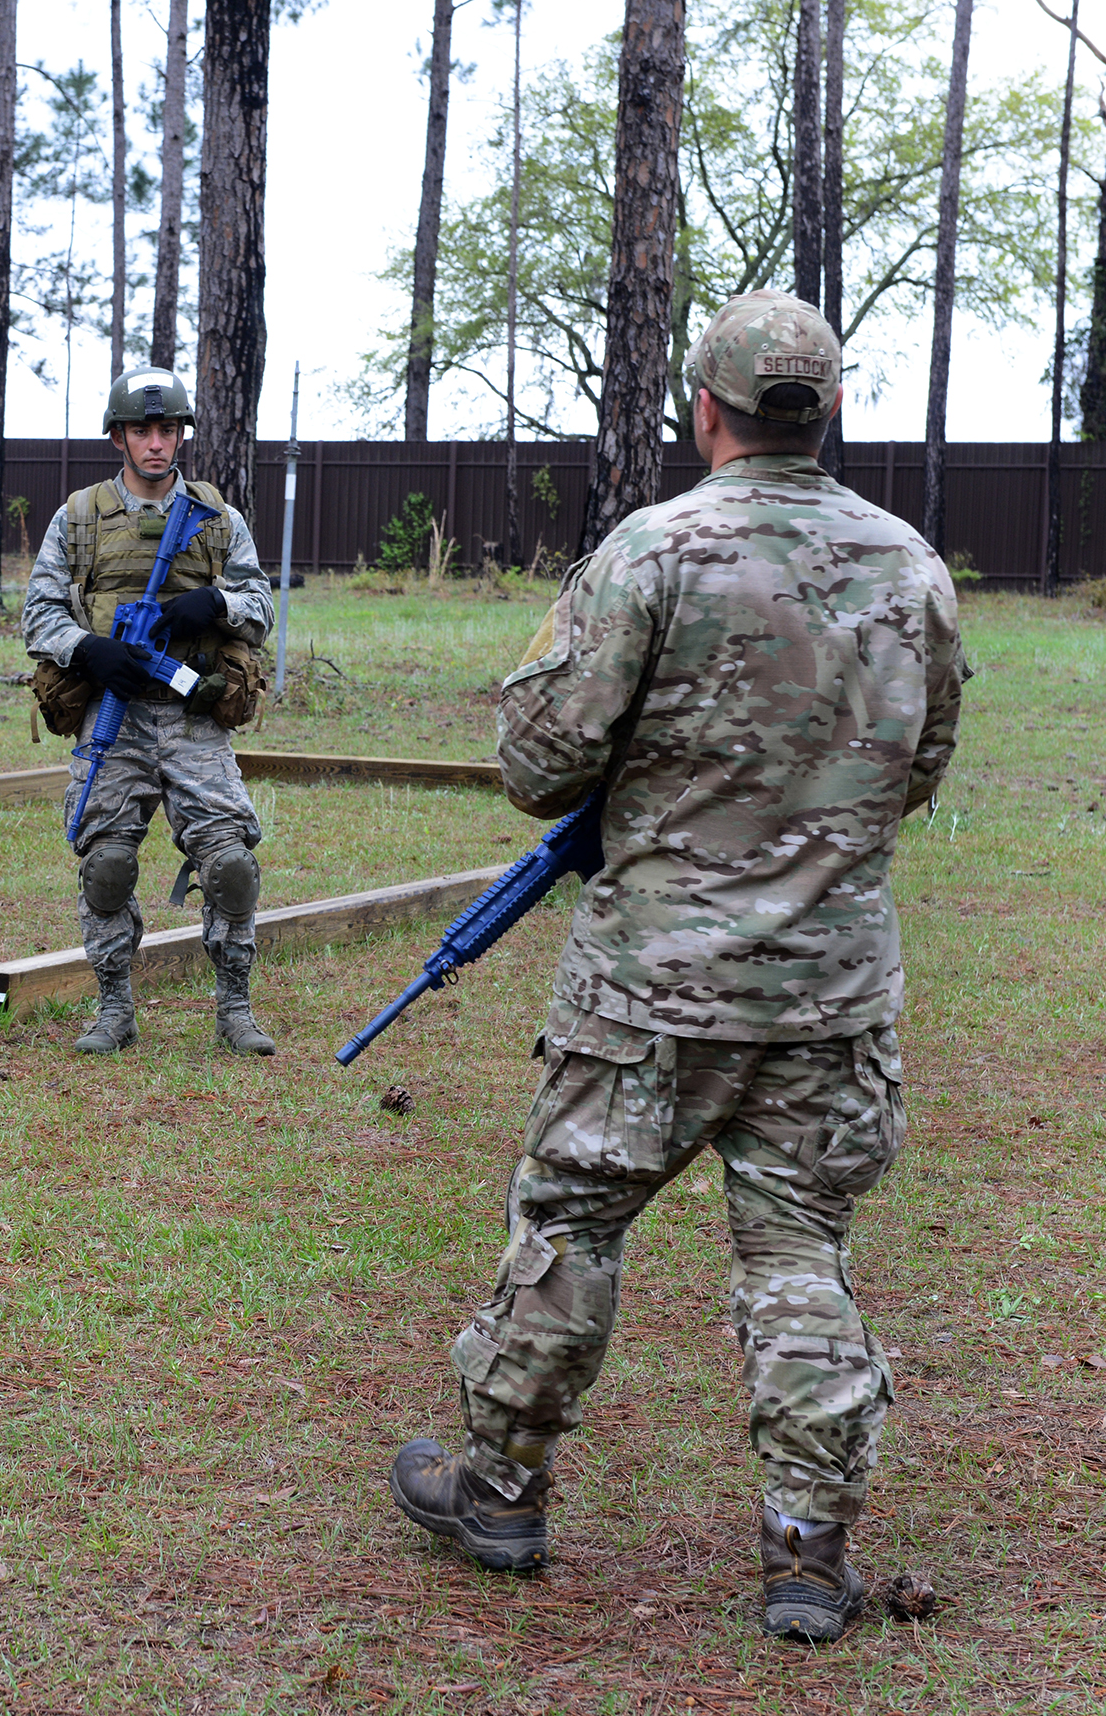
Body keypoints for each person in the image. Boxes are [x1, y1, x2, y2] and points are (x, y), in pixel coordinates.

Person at [381, 292, 961, 1645]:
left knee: (571, 1227)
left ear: (705, 408)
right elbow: (918, 770)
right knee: (802, 1251)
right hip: (828, 993)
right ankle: (808, 1552)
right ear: (830, 409)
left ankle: (502, 1490)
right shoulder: (908, 564)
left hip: (649, 993)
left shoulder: (653, 552)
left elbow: (536, 767)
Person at [17, 367, 277, 1055]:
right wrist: (88, 649)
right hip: (116, 713)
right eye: (142, 430)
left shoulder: (219, 519)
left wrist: (216, 603)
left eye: (168, 429)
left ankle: (236, 1009)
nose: (156, 444)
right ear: (117, 438)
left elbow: (262, 605)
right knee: (106, 864)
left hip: (194, 715)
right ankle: (113, 1009)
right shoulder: (77, 518)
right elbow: (39, 614)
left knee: (230, 866)